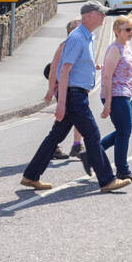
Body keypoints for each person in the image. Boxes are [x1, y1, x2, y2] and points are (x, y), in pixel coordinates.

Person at [20, 2, 130, 193]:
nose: (104, 17)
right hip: (74, 96)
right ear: (87, 16)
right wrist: (61, 102)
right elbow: (64, 69)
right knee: (93, 135)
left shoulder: (87, 37)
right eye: (100, 13)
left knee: (55, 136)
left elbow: (75, 66)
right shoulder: (78, 38)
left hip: (77, 94)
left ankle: (31, 176)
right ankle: (107, 180)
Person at [99, 16, 132, 181]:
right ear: (117, 32)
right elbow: (107, 76)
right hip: (115, 95)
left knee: (123, 131)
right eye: (127, 30)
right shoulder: (114, 49)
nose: (131, 32)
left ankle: (92, 153)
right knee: (125, 131)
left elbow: (128, 71)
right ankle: (122, 170)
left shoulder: (127, 45)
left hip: (125, 93)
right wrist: (108, 103)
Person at [43, 19, 83, 161]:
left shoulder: (79, 45)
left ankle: (77, 145)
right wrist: (50, 90)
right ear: (70, 31)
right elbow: (54, 68)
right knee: (67, 118)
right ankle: (54, 147)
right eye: (76, 28)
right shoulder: (65, 46)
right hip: (63, 88)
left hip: (77, 88)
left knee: (75, 117)